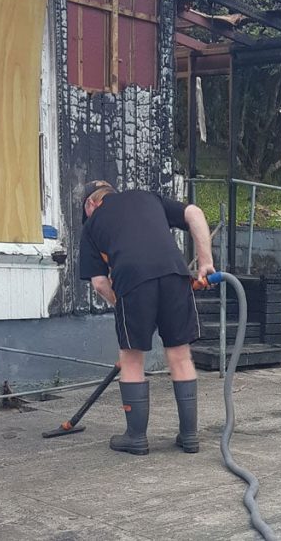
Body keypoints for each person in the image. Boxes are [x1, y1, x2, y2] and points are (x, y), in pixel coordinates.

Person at [77, 180, 214, 456]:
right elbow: (195, 213)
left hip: (133, 281)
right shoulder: (147, 198)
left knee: (131, 357)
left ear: (90, 204)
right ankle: (189, 437)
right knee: (179, 355)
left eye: (86, 210)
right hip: (176, 275)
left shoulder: (92, 225)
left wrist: (123, 304)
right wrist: (205, 262)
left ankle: (136, 438)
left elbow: (101, 283)